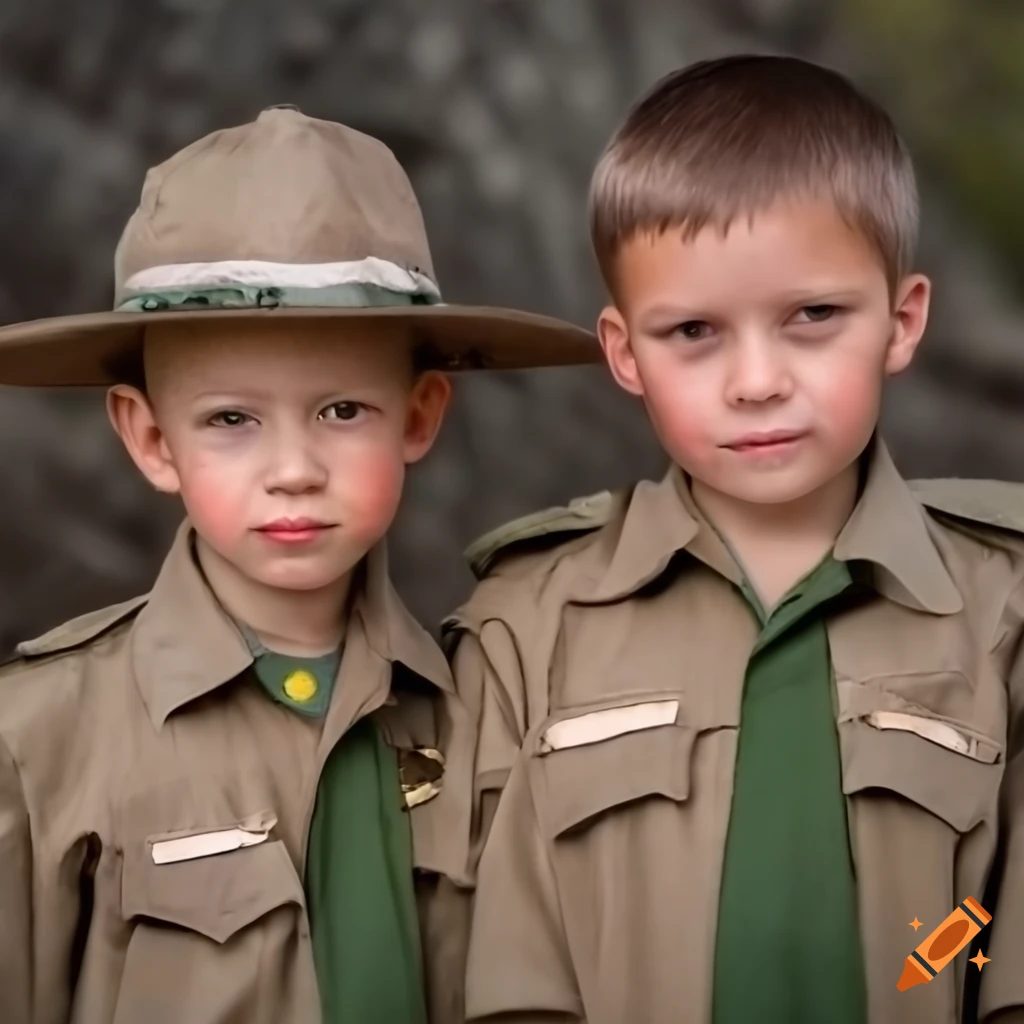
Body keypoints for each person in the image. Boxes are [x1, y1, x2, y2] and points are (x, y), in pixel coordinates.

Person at [446, 55, 1024, 1024]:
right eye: (693, 332)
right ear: (624, 352)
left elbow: (995, 925)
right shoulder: (524, 630)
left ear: (902, 317)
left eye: (812, 316)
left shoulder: (1001, 615)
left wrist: (929, 964)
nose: (756, 380)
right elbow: (492, 958)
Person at [0, 105, 596, 1024]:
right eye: (232, 420)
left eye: (343, 412)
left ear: (420, 416)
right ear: (151, 438)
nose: (293, 471)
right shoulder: (38, 744)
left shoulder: (490, 716)